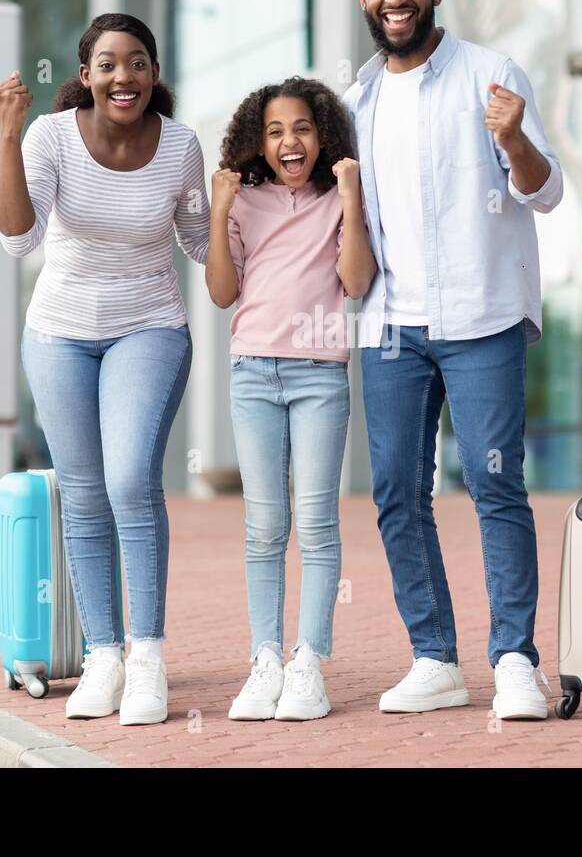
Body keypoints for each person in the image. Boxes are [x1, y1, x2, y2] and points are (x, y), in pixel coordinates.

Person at [343, 0, 564, 719]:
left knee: (496, 484)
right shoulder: (355, 100)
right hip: (392, 327)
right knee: (399, 492)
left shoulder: (491, 75)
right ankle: (435, 658)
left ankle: (514, 659)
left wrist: (510, 139)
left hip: (481, 315)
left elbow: (545, 192)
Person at [0, 13, 209, 726]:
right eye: (109, 65)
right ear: (85, 76)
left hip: (148, 327)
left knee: (128, 481)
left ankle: (147, 657)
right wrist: (7, 138)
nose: (125, 77)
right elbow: (19, 238)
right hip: (58, 333)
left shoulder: (180, 146)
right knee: (83, 493)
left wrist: (257, 200)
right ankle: (103, 657)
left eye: (138, 62)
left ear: (154, 73)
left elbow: (204, 245)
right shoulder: (50, 137)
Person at [205, 77, 375, 721]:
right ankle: (265, 660)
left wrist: (353, 198)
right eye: (275, 131)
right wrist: (220, 213)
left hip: (319, 376)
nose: (289, 142)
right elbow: (223, 293)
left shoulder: (339, 199)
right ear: (258, 140)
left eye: (301, 128)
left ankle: (309, 663)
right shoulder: (245, 201)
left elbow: (355, 281)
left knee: (318, 523)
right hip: (253, 373)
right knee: (263, 527)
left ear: (322, 133)